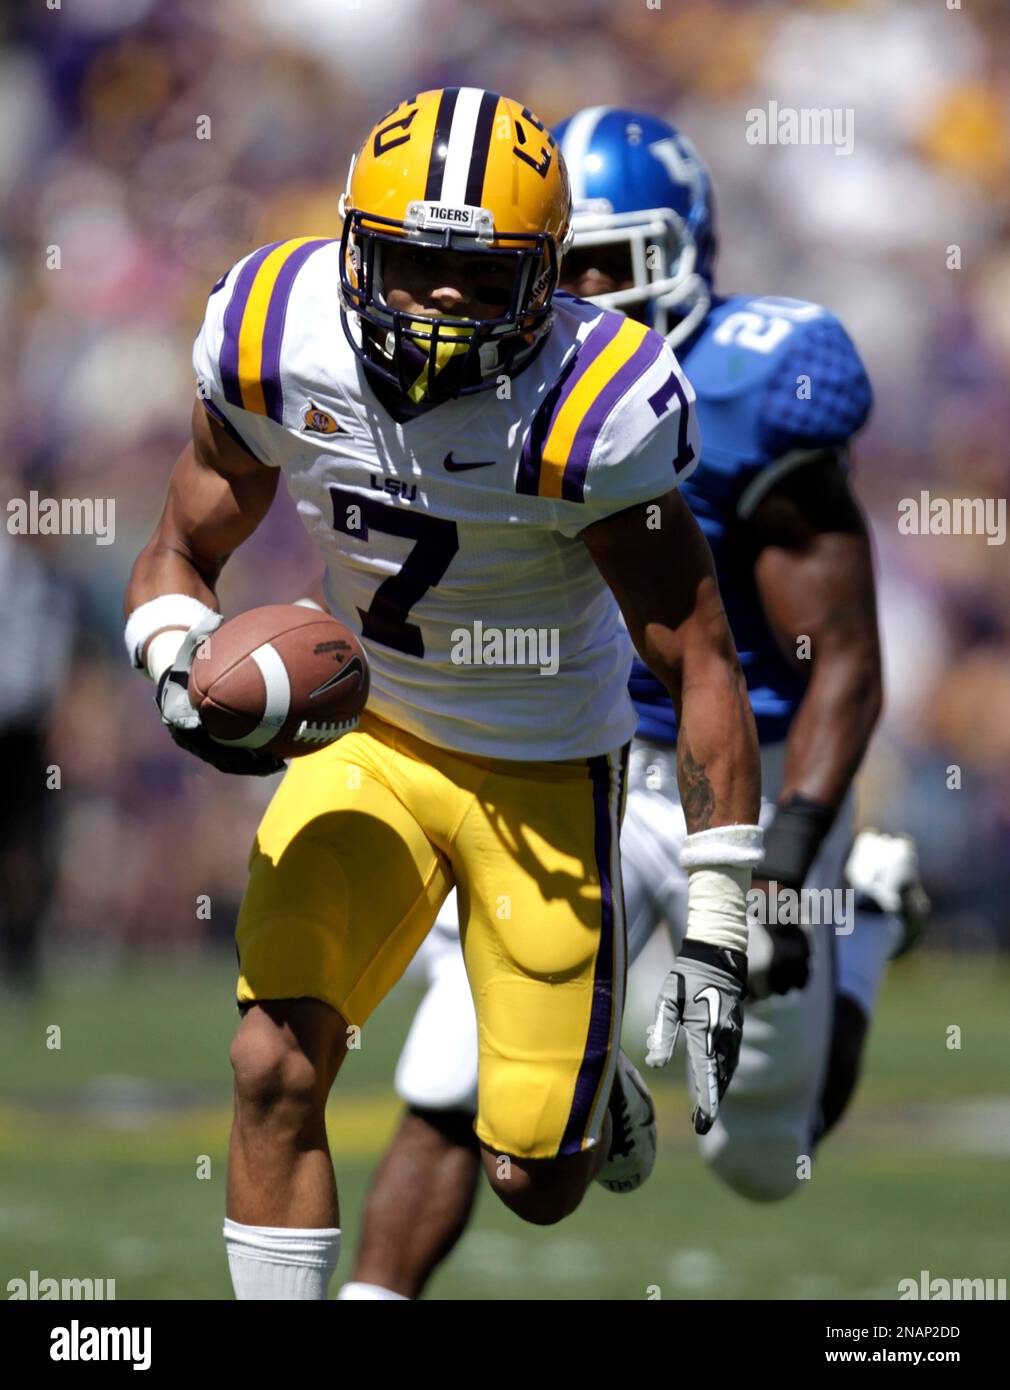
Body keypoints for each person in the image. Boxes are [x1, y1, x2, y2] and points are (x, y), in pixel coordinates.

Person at [123, 90, 762, 1301]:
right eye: (416, 263)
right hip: (369, 737)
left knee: (537, 1180)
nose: (443, 302)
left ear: (550, 278)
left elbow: (699, 657)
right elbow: (177, 554)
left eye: (482, 276)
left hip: (543, 773)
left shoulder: (591, 399)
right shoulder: (274, 328)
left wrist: (720, 910)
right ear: (360, 245)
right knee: (272, 1065)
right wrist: (175, 665)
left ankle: (586, 1081)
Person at [338, 107, 927, 1303]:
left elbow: (844, 663)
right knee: (455, 1079)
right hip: (573, 765)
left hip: (734, 777)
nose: (593, 290)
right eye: (576, 261)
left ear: (687, 250)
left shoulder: (755, 388)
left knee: (759, 1154)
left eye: (618, 261)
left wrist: (786, 861)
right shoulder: (495, 377)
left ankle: (852, 929)